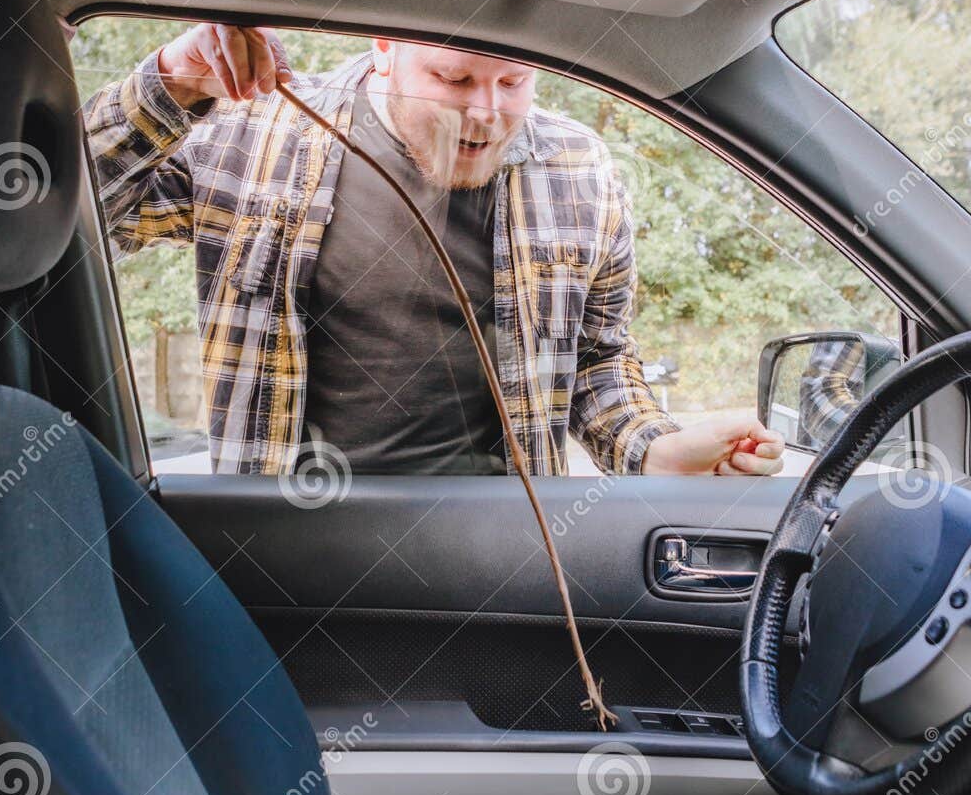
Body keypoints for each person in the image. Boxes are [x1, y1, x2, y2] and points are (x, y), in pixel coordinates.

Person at [84, 24, 785, 479]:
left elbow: (595, 366)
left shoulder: (578, 169)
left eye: (513, 82)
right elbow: (77, 212)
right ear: (384, 47)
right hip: (285, 546)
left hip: (497, 546)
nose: (485, 111)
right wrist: (169, 83)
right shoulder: (253, 134)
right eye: (453, 80)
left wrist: (657, 452)